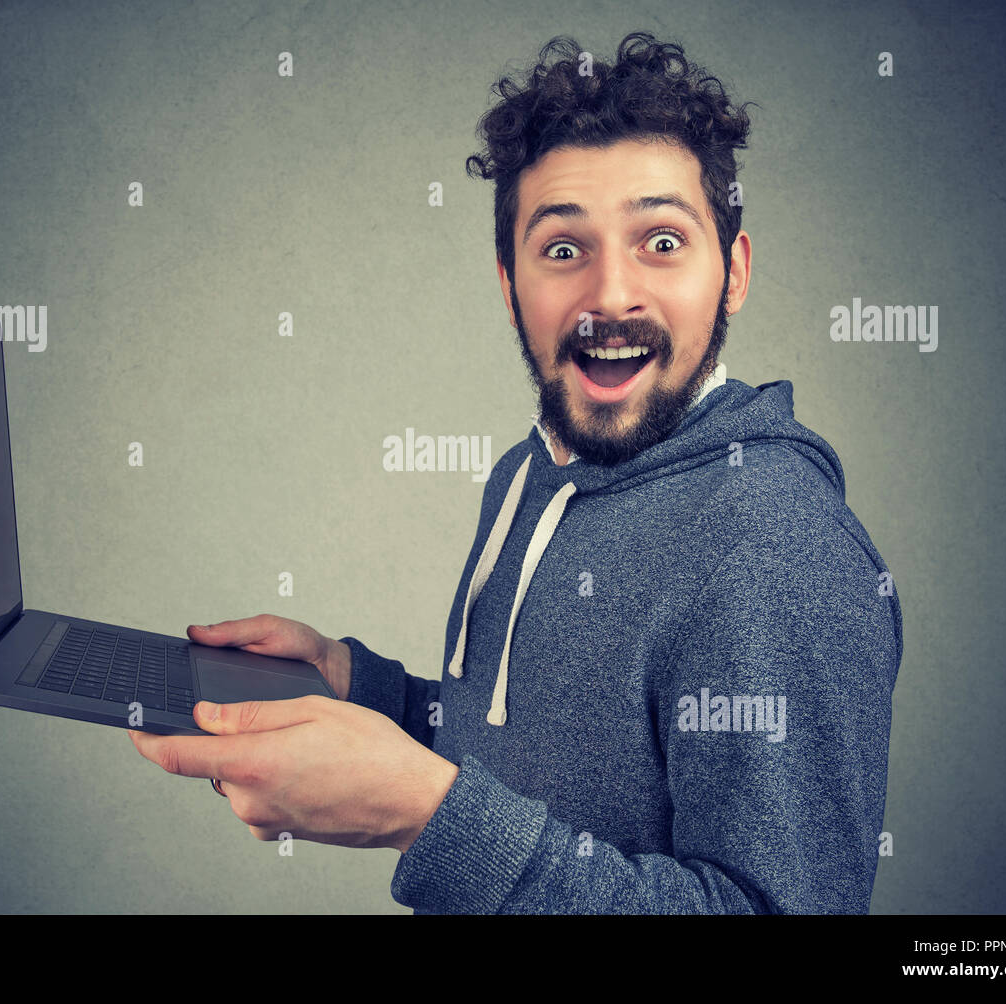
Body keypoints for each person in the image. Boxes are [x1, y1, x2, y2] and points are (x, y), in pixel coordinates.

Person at [130, 30, 903, 914]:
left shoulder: (775, 543)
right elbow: (522, 762)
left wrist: (422, 816)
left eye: (661, 241)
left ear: (733, 274)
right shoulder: (528, 474)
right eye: (564, 250)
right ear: (509, 285)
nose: (612, 294)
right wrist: (355, 684)